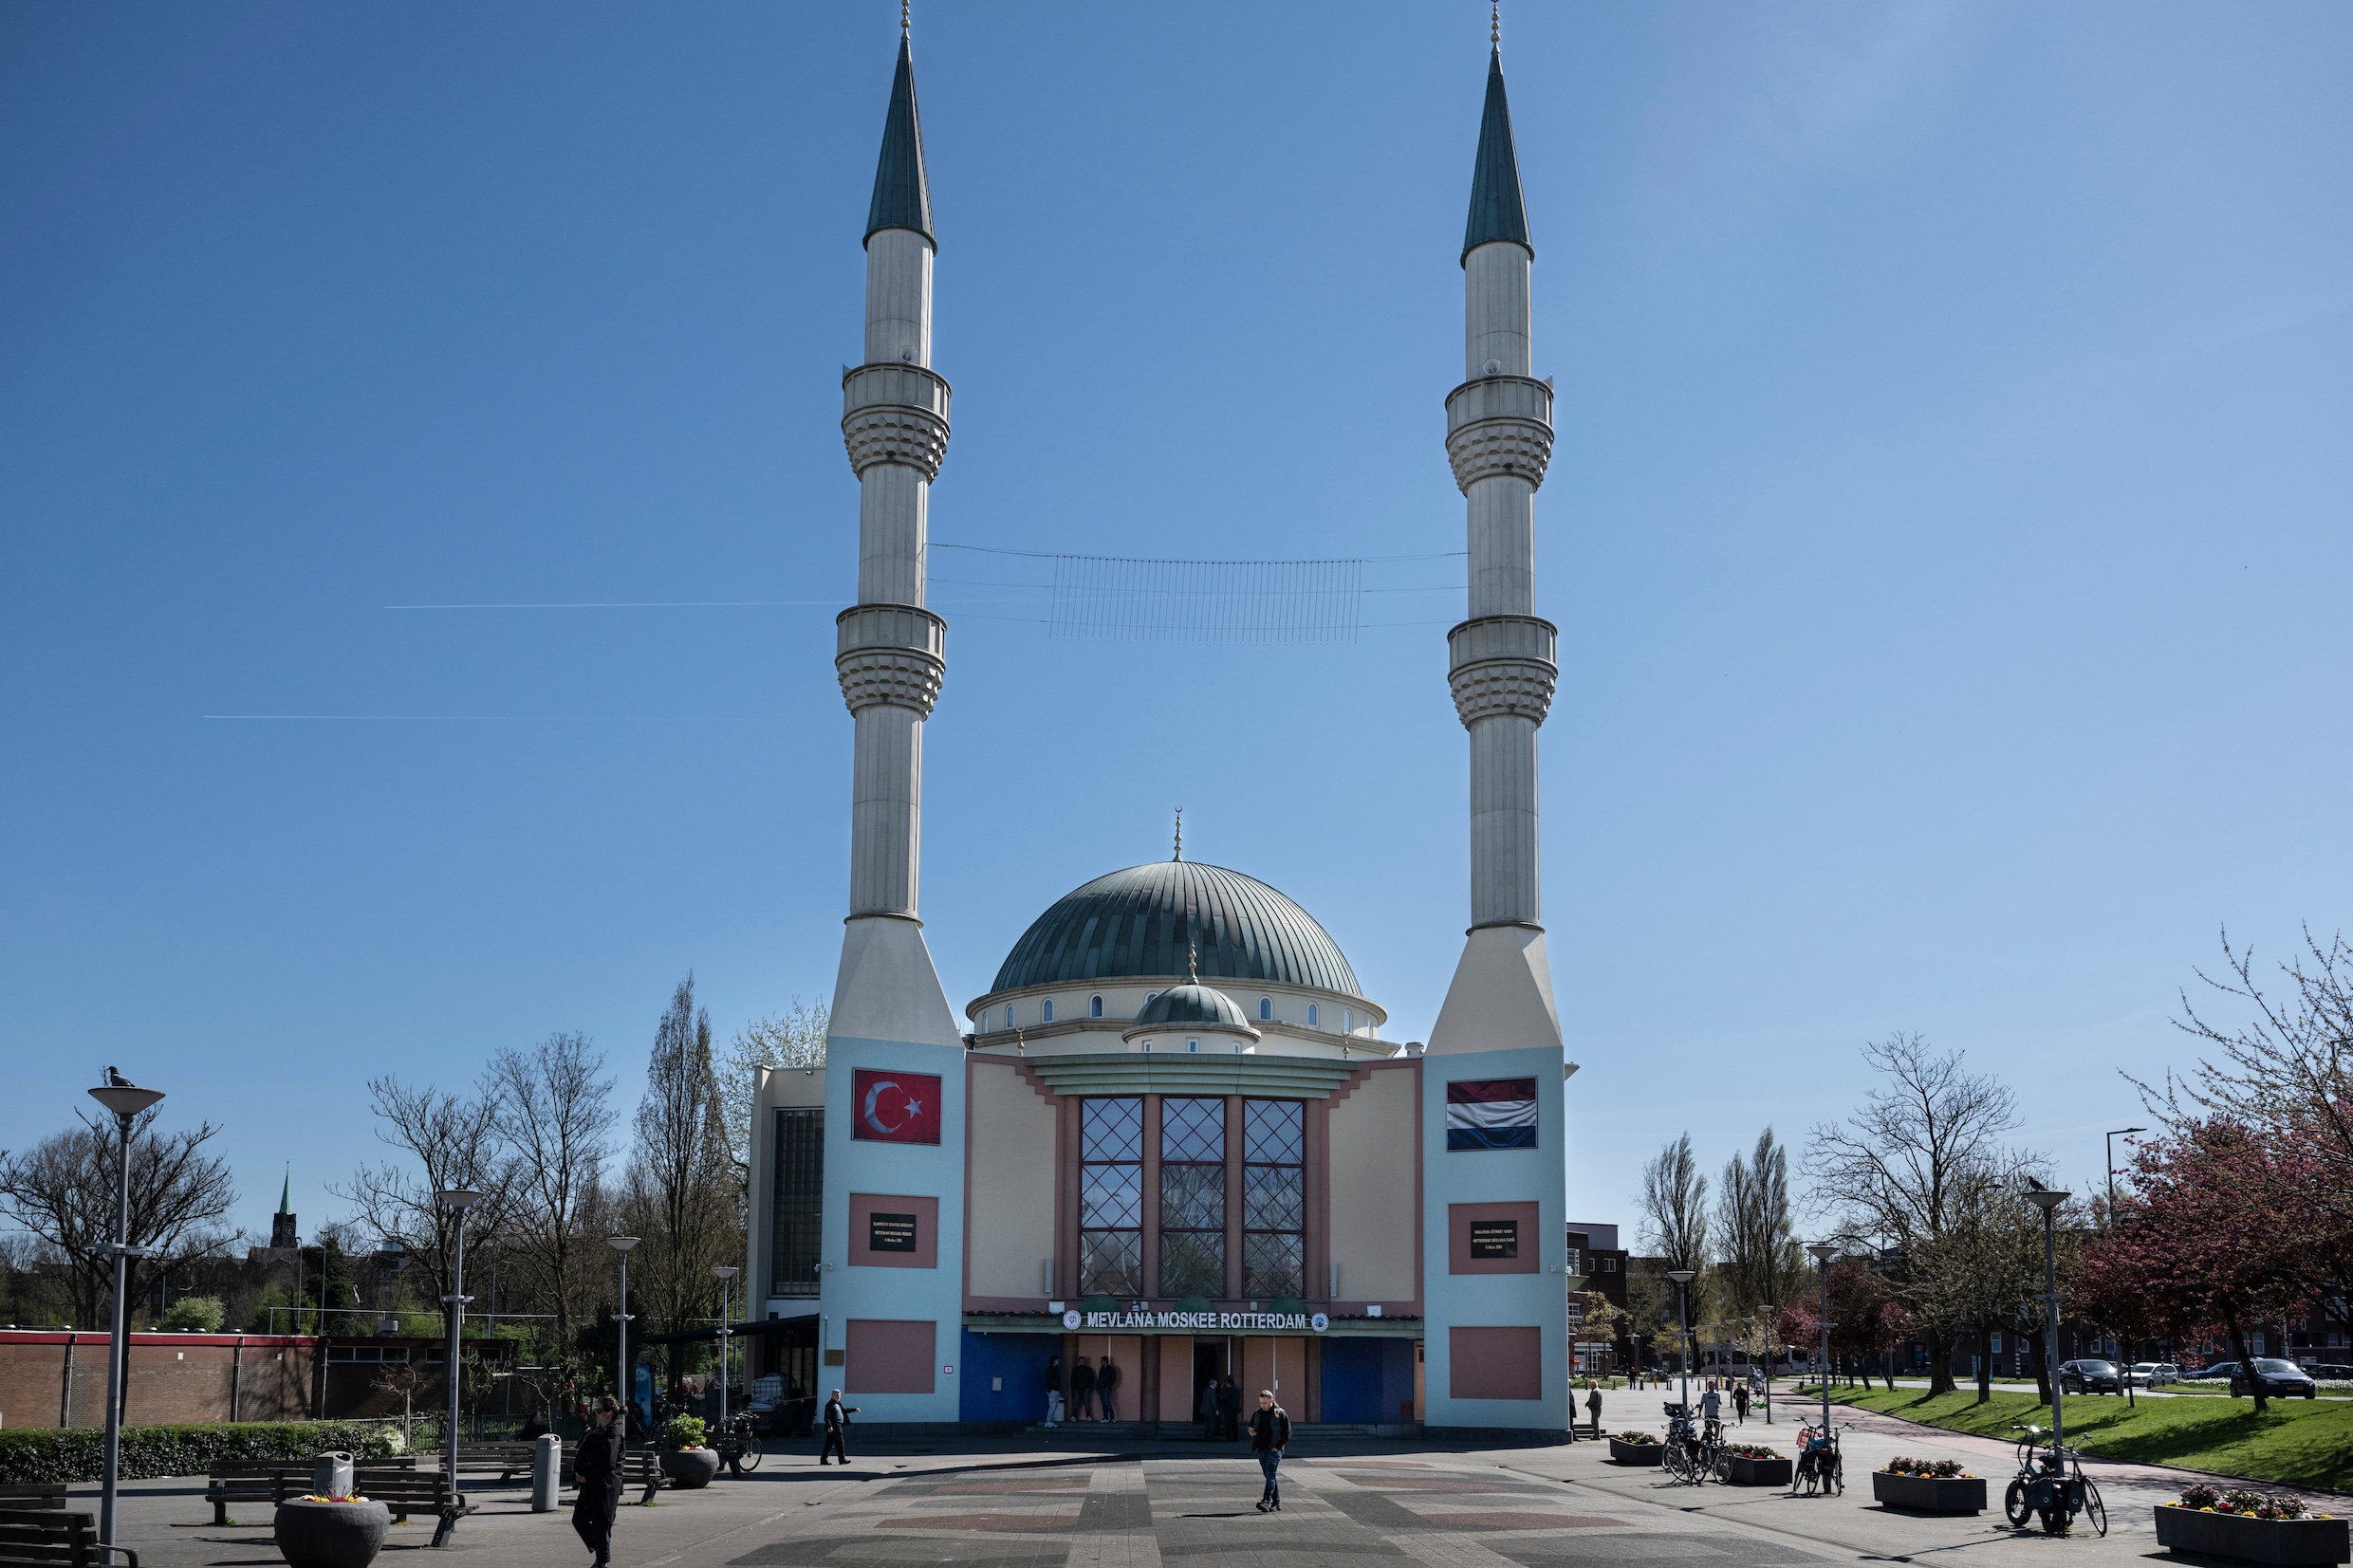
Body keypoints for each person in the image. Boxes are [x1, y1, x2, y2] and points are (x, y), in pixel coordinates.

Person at [571, 1396, 624, 1568]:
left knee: (601, 1524)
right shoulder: (597, 1429)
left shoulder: (613, 1433)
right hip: (590, 1485)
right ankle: (599, 1547)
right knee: (579, 1519)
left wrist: (587, 1477)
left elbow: (608, 1463)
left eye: (599, 1411)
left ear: (608, 1413)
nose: (596, 1414)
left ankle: (601, 1562)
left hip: (605, 1486)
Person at [1248, 1389, 1290, 1512]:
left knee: (1270, 1473)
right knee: (1268, 1475)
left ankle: (1266, 1500)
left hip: (1274, 1449)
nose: (1263, 1405)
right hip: (1261, 1448)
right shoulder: (1257, 1413)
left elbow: (1287, 1433)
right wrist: (1251, 1432)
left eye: (1265, 1403)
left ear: (1272, 1400)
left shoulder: (1280, 1413)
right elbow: (1251, 1426)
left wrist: (1278, 1447)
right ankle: (1276, 1502)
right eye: (1261, 1403)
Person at [819, 1388, 858, 1465]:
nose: (839, 1397)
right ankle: (842, 1459)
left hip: (838, 1425)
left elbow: (844, 1410)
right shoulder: (830, 1404)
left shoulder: (838, 1404)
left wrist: (854, 1409)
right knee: (840, 1442)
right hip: (835, 1426)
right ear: (833, 1395)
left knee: (829, 1444)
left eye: (839, 1395)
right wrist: (829, 1426)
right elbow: (827, 1416)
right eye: (837, 1395)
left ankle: (823, 1459)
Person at [1216, 1374, 1242, 1442]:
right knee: (1234, 1423)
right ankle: (1236, 1437)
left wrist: (1221, 1396)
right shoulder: (1236, 1389)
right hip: (1235, 1408)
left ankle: (1229, 1437)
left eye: (1226, 1383)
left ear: (1228, 1383)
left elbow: (1225, 1398)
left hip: (1229, 1408)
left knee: (1228, 1423)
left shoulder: (1229, 1390)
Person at [1072, 1356, 1098, 1421]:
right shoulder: (1076, 1370)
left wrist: (1089, 1388)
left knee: (1086, 1404)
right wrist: (1074, 1388)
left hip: (1085, 1389)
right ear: (1078, 1362)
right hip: (1077, 1389)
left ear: (1084, 1362)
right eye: (1080, 1361)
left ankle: (1088, 1416)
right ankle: (1075, 1416)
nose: (1081, 1363)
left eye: (1083, 1361)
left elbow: (1092, 1379)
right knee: (1076, 1403)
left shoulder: (1088, 1370)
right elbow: (1072, 1380)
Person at [1097, 1355, 1121, 1423]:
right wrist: (1098, 1387)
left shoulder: (1110, 1369)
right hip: (1101, 1388)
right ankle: (1106, 1417)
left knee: (1107, 1402)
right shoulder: (1101, 1369)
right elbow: (1100, 1378)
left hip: (1106, 1388)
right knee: (1103, 1403)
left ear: (1104, 1361)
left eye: (1101, 1361)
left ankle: (1112, 1417)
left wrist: (1109, 1386)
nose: (1100, 1362)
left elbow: (1113, 1378)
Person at [1043, 1356, 1064, 1427]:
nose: (1059, 1362)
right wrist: (1049, 1389)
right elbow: (1047, 1380)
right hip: (1052, 1390)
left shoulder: (1055, 1369)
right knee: (1052, 1406)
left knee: (1055, 1406)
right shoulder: (1050, 1370)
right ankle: (1048, 1421)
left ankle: (1051, 1421)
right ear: (1054, 1361)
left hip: (1056, 1390)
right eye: (1058, 1360)